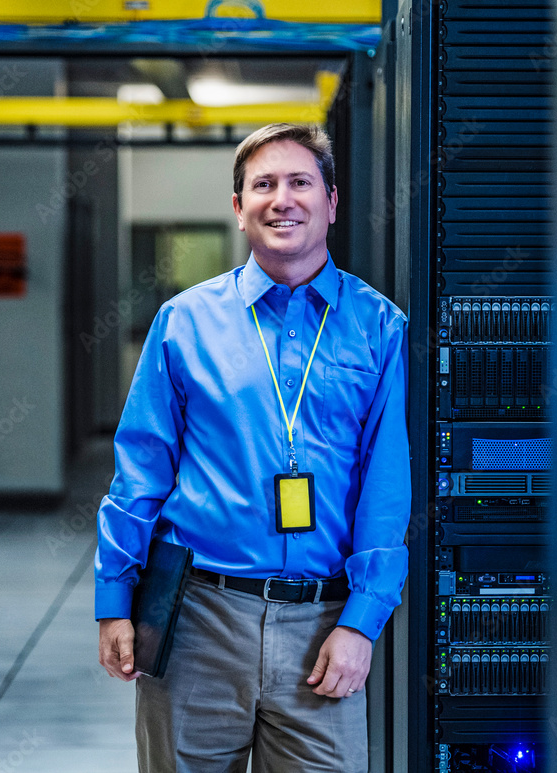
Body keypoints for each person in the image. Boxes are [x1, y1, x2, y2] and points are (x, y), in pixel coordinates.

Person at [95, 122, 411, 773]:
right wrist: (114, 601)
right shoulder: (184, 323)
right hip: (196, 618)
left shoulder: (379, 326)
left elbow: (386, 483)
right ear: (238, 209)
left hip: (323, 623)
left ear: (330, 200)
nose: (281, 199)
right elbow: (140, 473)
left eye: (299, 182)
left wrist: (362, 620)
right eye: (262, 185)